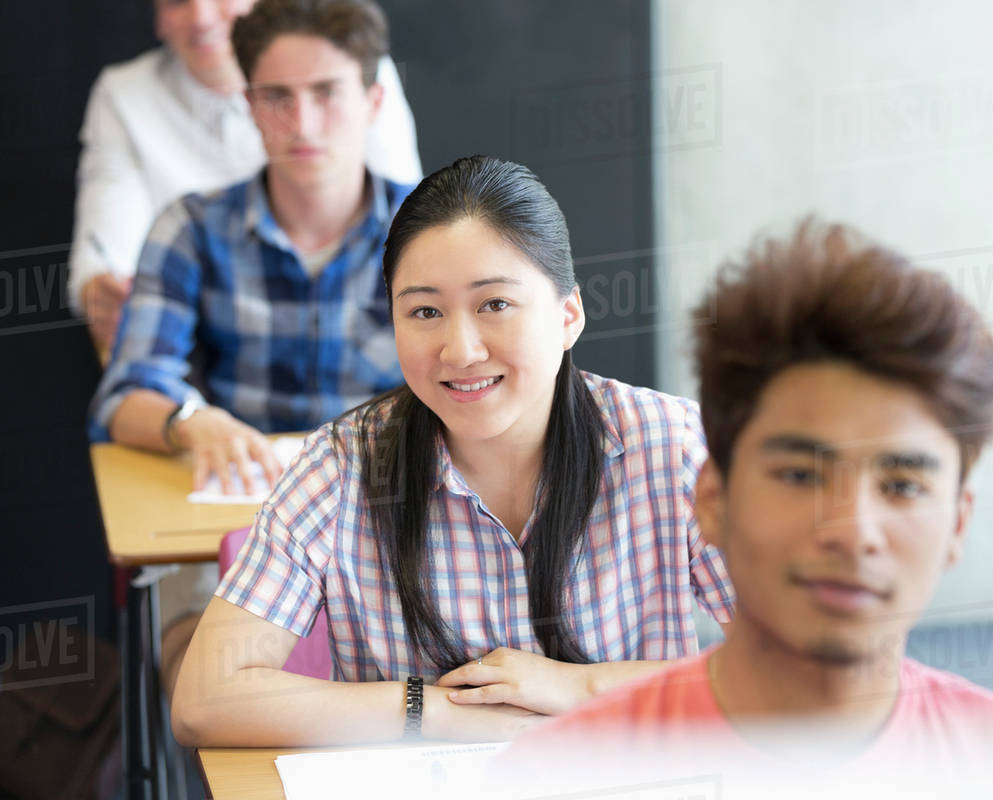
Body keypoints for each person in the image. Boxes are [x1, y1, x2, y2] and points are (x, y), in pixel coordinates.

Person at [169, 155, 736, 746]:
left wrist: (580, 688)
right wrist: (432, 709)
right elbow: (202, 697)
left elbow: (807, 669)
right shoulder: (343, 465)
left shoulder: (673, 447)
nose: (459, 350)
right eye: (425, 311)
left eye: (495, 304)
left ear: (568, 315)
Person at [501, 219, 993, 788]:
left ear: (958, 523)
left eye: (902, 485)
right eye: (802, 475)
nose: (852, 532)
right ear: (712, 498)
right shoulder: (556, 776)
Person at [88, 0, 414, 496]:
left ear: (373, 103)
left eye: (326, 93)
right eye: (277, 96)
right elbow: (124, 397)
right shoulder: (189, 228)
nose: (302, 123)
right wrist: (192, 422)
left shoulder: (433, 228)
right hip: (242, 502)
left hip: (394, 501)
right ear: (251, 106)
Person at [69, 0, 422, 351]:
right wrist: (104, 290)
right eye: (177, 1)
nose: (202, 17)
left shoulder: (343, 58)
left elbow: (407, 231)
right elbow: (108, 241)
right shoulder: (126, 100)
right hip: (197, 346)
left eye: (325, 92)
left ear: (372, 101)